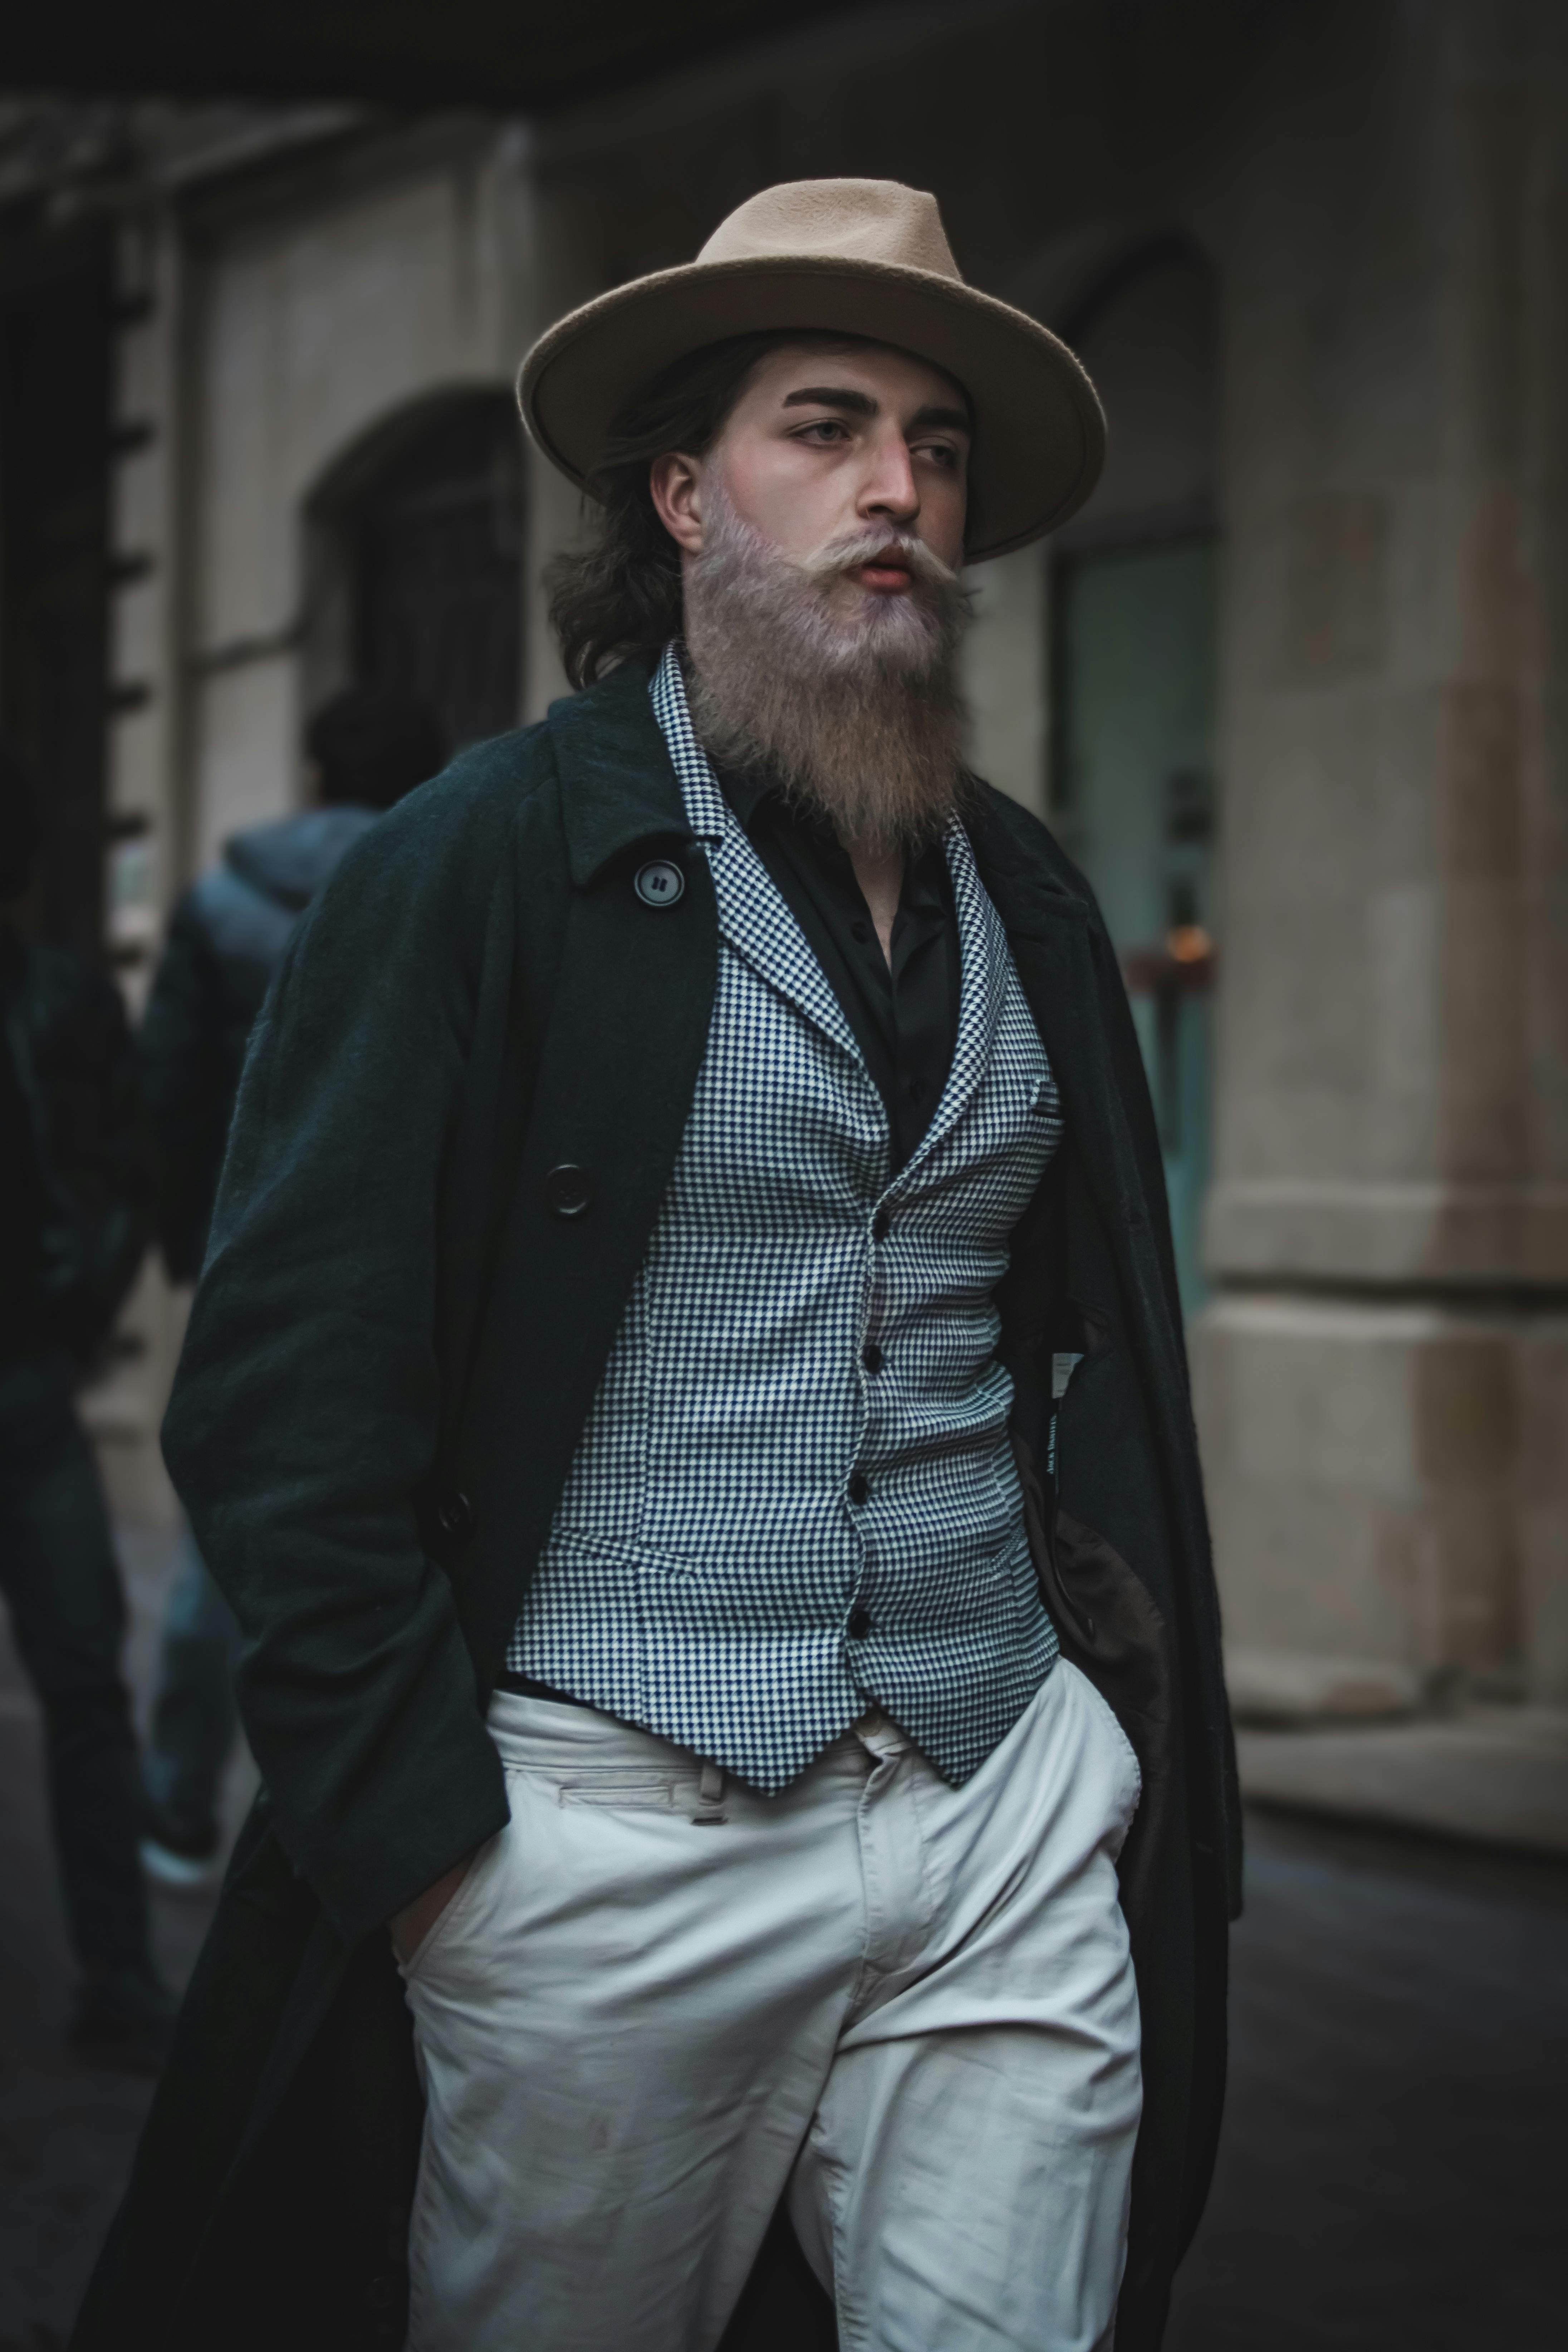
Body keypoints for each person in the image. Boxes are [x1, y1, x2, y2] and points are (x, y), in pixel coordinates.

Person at [75, 181, 1239, 2352]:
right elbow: (284, 1378)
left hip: (996, 1814)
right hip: (608, 1842)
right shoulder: (488, 859)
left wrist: (1091, 1730)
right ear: (690, 496)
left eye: (940, 444)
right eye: (829, 426)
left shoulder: (1032, 894)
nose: (898, 486)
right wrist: (434, 1847)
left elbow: (1072, 1349)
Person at [136, 685, 446, 1885]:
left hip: (248, 1253)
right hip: (412, 1258)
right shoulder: (451, 879)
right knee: (403, 1532)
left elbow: (163, 1091)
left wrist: (184, 1245)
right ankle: (337, 1812)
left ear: (314, 774)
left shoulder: (222, 905)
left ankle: (174, 1809)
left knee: (230, 1532)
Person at [0, 739, 170, 2068]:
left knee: (83, 1680)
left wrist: (69, 1301)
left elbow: (124, 1172)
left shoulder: (62, 999)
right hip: (37, 1382)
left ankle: (117, 1973)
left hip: (28, 1386)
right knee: (85, 1681)